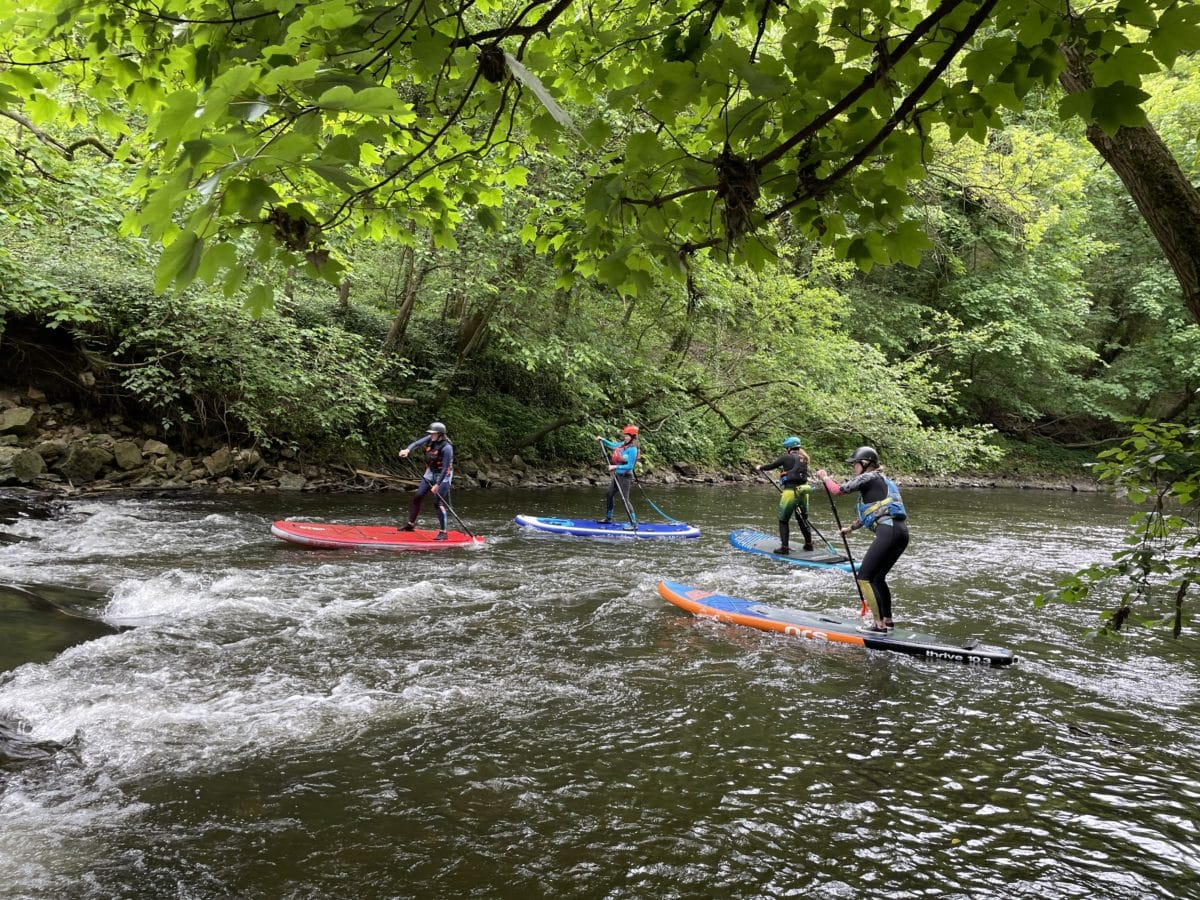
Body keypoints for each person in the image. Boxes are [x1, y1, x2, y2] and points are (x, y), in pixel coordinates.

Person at [815, 446, 909, 634]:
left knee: (864, 577)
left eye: (855, 464)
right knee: (878, 577)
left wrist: (825, 477)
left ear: (865, 463)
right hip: (900, 533)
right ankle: (888, 622)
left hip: (888, 532)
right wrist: (850, 529)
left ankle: (878, 625)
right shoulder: (881, 482)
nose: (854, 468)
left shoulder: (869, 476)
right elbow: (874, 512)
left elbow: (839, 490)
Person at [755, 436, 814, 554]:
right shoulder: (804, 458)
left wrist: (760, 467)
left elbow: (771, 466)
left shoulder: (786, 457)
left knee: (783, 520)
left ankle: (784, 548)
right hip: (803, 492)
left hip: (790, 493)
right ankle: (808, 544)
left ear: (788, 448)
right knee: (802, 519)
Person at [398, 421, 454, 539]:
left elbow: (444, 469)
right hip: (431, 472)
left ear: (440, 434)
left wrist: (437, 485)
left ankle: (443, 532)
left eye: (433, 433)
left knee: (437, 503)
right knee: (418, 496)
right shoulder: (430, 439)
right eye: (431, 433)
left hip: (444, 475)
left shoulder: (447, 448)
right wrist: (407, 450)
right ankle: (410, 525)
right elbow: (416, 443)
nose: (431, 435)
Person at [595, 425, 639, 525]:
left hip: (625, 476)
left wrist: (615, 467)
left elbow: (629, 466)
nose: (625, 438)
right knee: (609, 494)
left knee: (625, 500)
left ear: (632, 437)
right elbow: (613, 445)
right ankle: (608, 518)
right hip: (617, 476)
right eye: (625, 436)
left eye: (627, 436)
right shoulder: (623, 444)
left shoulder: (633, 449)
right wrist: (603, 440)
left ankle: (633, 523)